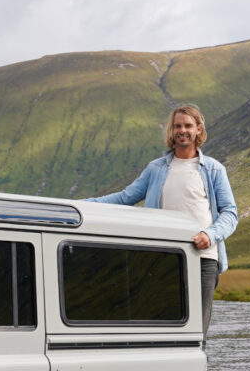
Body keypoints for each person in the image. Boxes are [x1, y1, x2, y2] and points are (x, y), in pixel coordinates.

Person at [88, 103, 237, 334]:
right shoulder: (155, 168)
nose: (182, 130)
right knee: (161, 328)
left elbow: (230, 212)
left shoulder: (214, 170)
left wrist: (211, 234)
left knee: (197, 333)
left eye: (188, 125)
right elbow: (125, 197)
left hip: (204, 259)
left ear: (199, 129)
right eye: (177, 126)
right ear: (171, 130)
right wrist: (81, 205)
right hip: (162, 259)